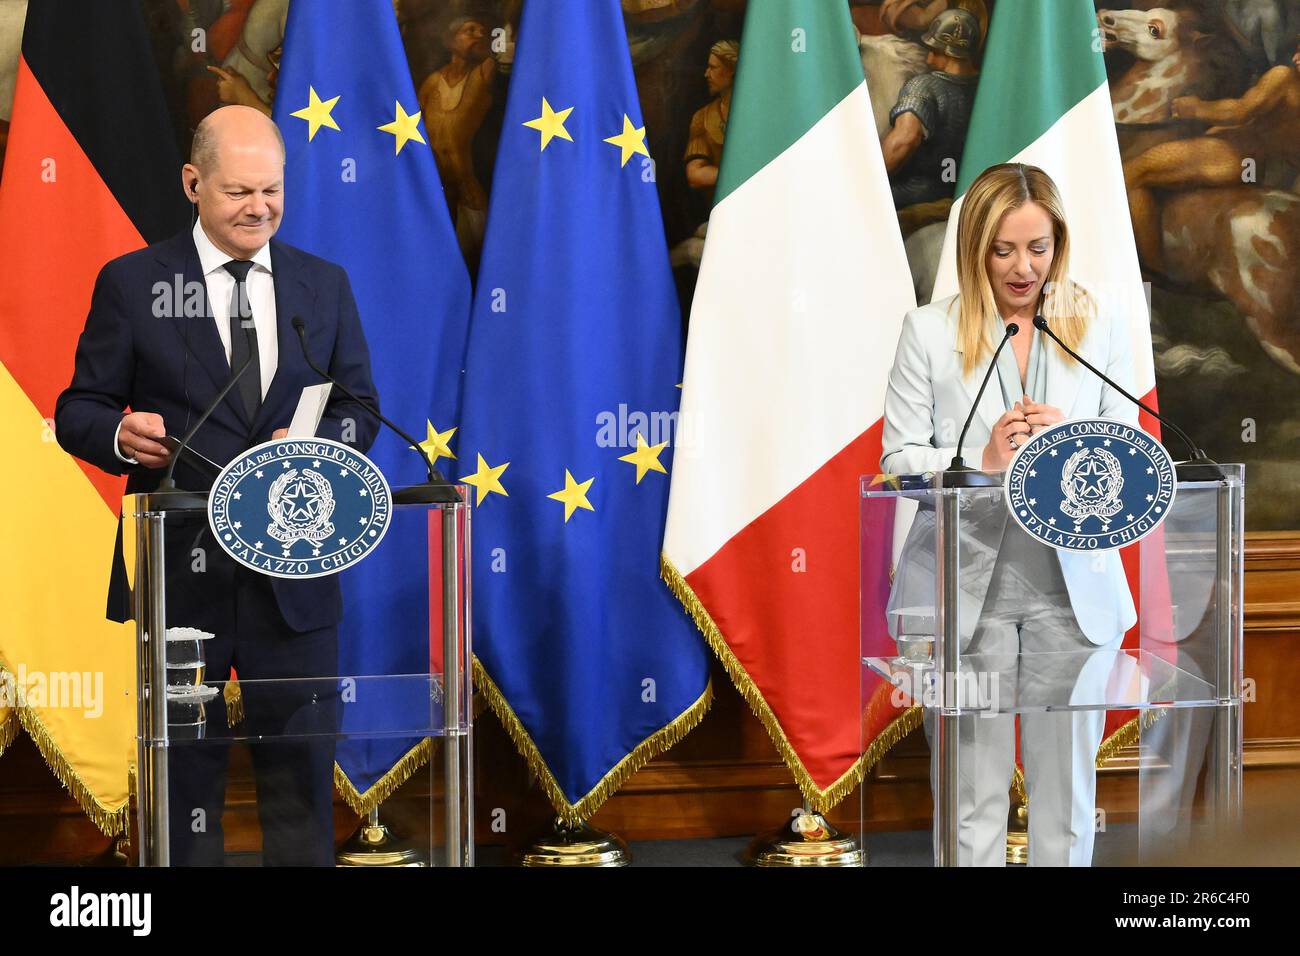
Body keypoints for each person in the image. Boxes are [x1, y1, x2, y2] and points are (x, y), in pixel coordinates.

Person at [55, 104, 380, 865]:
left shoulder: (320, 286)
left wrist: (315, 446)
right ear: (193, 184)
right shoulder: (136, 283)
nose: (259, 207)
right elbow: (79, 409)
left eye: (271, 190)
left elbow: (360, 406)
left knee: (300, 775)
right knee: (183, 778)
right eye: (239, 192)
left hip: (293, 574)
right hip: (181, 573)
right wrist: (116, 434)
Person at [880, 163, 1139, 866]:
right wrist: (981, 464)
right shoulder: (929, 331)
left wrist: (1075, 445)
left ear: (1060, 244)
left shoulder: (1101, 322)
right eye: (1004, 250)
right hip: (967, 595)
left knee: (1068, 798)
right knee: (971, 799)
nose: (1024, 268)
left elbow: (1133, 447)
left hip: (1072, 592)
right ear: (975, 249)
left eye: (1039, 247)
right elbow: (898, 460)